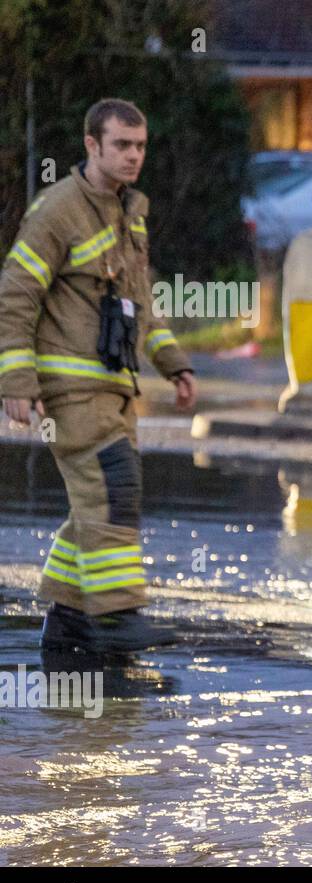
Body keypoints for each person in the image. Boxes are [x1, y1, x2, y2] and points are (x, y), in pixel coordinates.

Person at [0, 98, 196, 653]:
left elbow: (141, 306)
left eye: (140, 146)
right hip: (71, 388)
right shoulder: (58, 209)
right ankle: (116, 614)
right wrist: (16, 381)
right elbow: (16, 294)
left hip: (115, 387)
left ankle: (69, 616)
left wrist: (174, 363)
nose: (134, 156)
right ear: (92, 145)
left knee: (94, 500)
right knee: (112, 487)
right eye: (122, 145)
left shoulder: (129, 213)